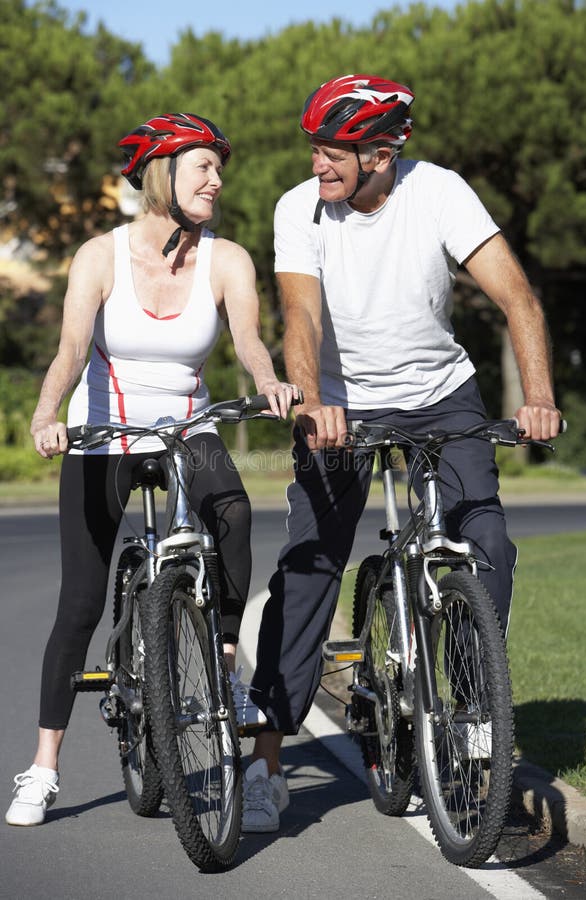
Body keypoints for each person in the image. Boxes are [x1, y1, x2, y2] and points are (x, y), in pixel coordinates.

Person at [240, 74, 562, 833]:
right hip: (339, 406)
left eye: (333, 154)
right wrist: (314, 399)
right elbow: (300, 313)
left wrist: (540, 396)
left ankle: (473, 724)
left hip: (441, 397)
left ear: (382, 154)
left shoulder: (440, 193)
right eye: (314, 151)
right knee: (312, 563)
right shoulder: (300, 208)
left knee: (487, 543)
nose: (319, 166)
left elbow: (518, 296)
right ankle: (266, 765)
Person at [5, 112, 298, 827]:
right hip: (106, 433)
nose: (218, 179)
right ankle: (44, 769)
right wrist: (50, 414)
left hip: (186, 427)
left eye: (219, 168)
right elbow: (72, 349)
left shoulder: (226, 259)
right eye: (204, 166)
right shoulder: (98, 257)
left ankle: (224, 672)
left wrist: (271, 381)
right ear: (162, 173)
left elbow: (251, 342)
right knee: (79, 602)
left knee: (232, 514)